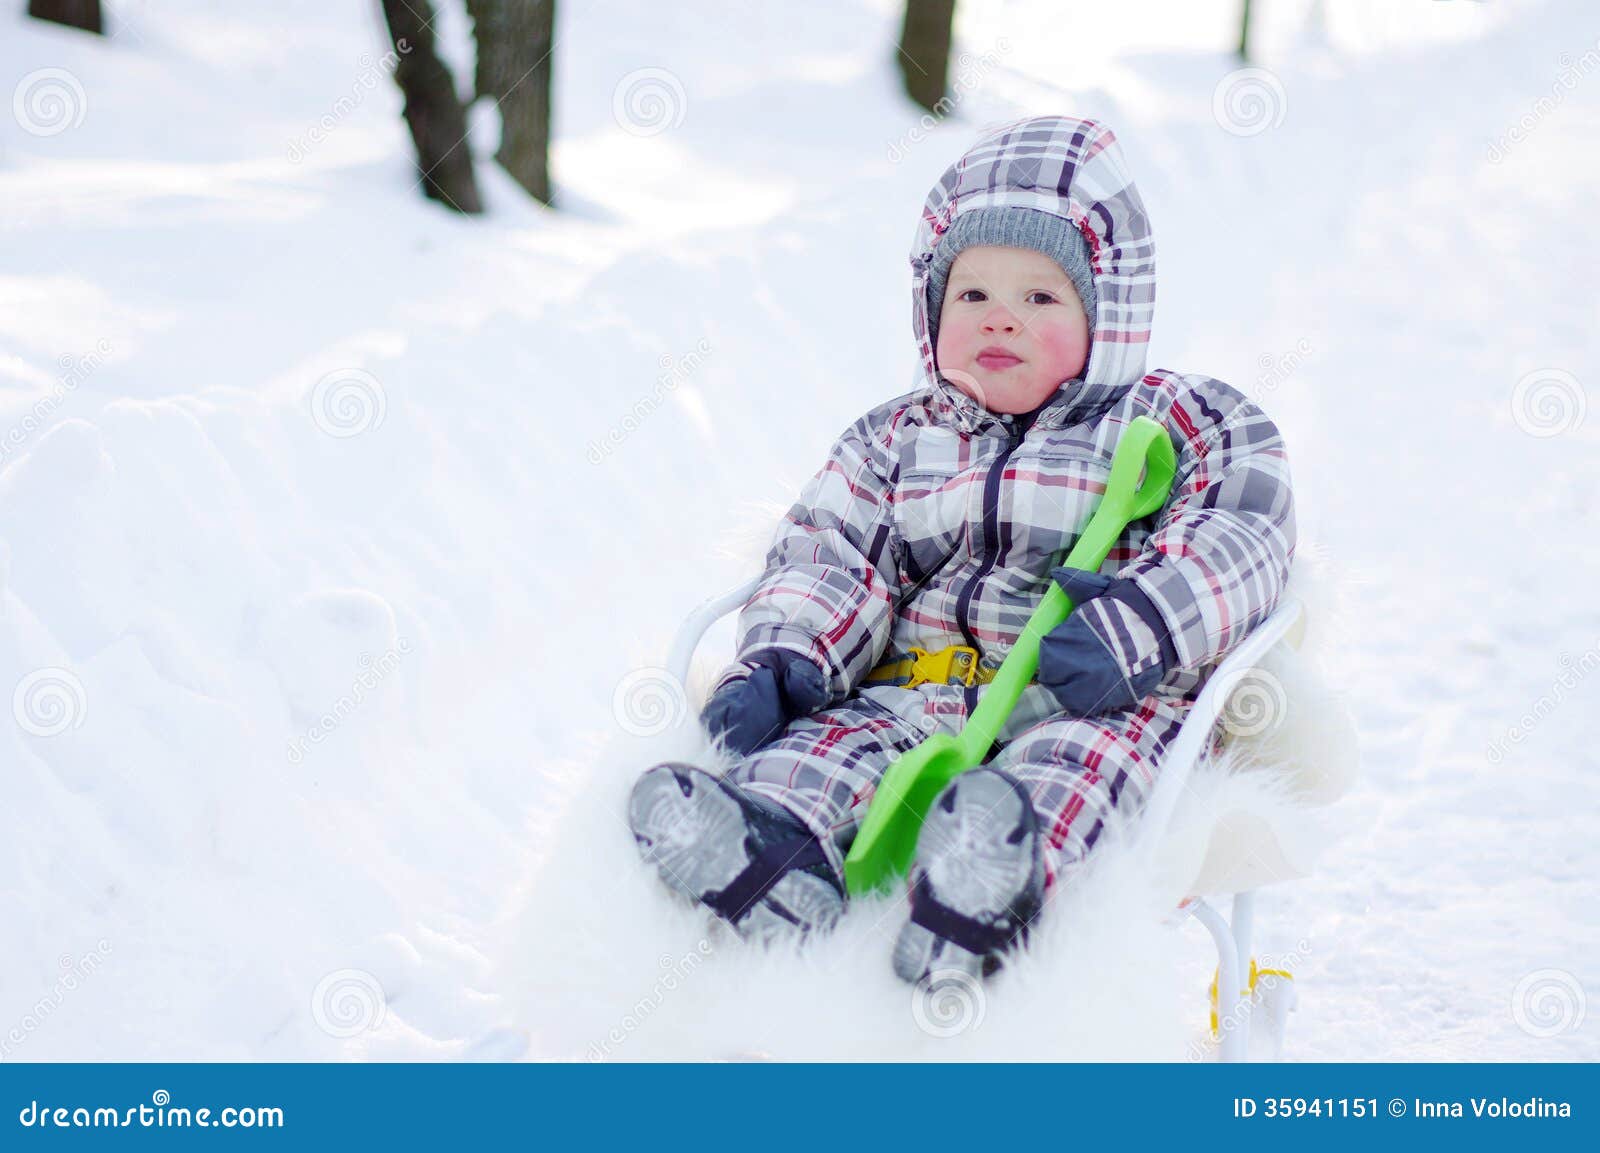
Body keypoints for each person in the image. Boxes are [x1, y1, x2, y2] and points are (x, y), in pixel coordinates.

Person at [628, 114, 1296, 985]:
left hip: (1087, 697)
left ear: (1112, 314)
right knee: (830, 748)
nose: (1000, 320)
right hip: (914, 691)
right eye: (972, 295)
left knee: (1073, 774)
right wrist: (785, 654)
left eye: (1042, 297)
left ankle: (986, 888)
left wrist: (1140, 624)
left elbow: (1242, 526)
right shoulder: (896, 438)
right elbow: (834, 552)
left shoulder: (1176, 420)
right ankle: (771, 855)